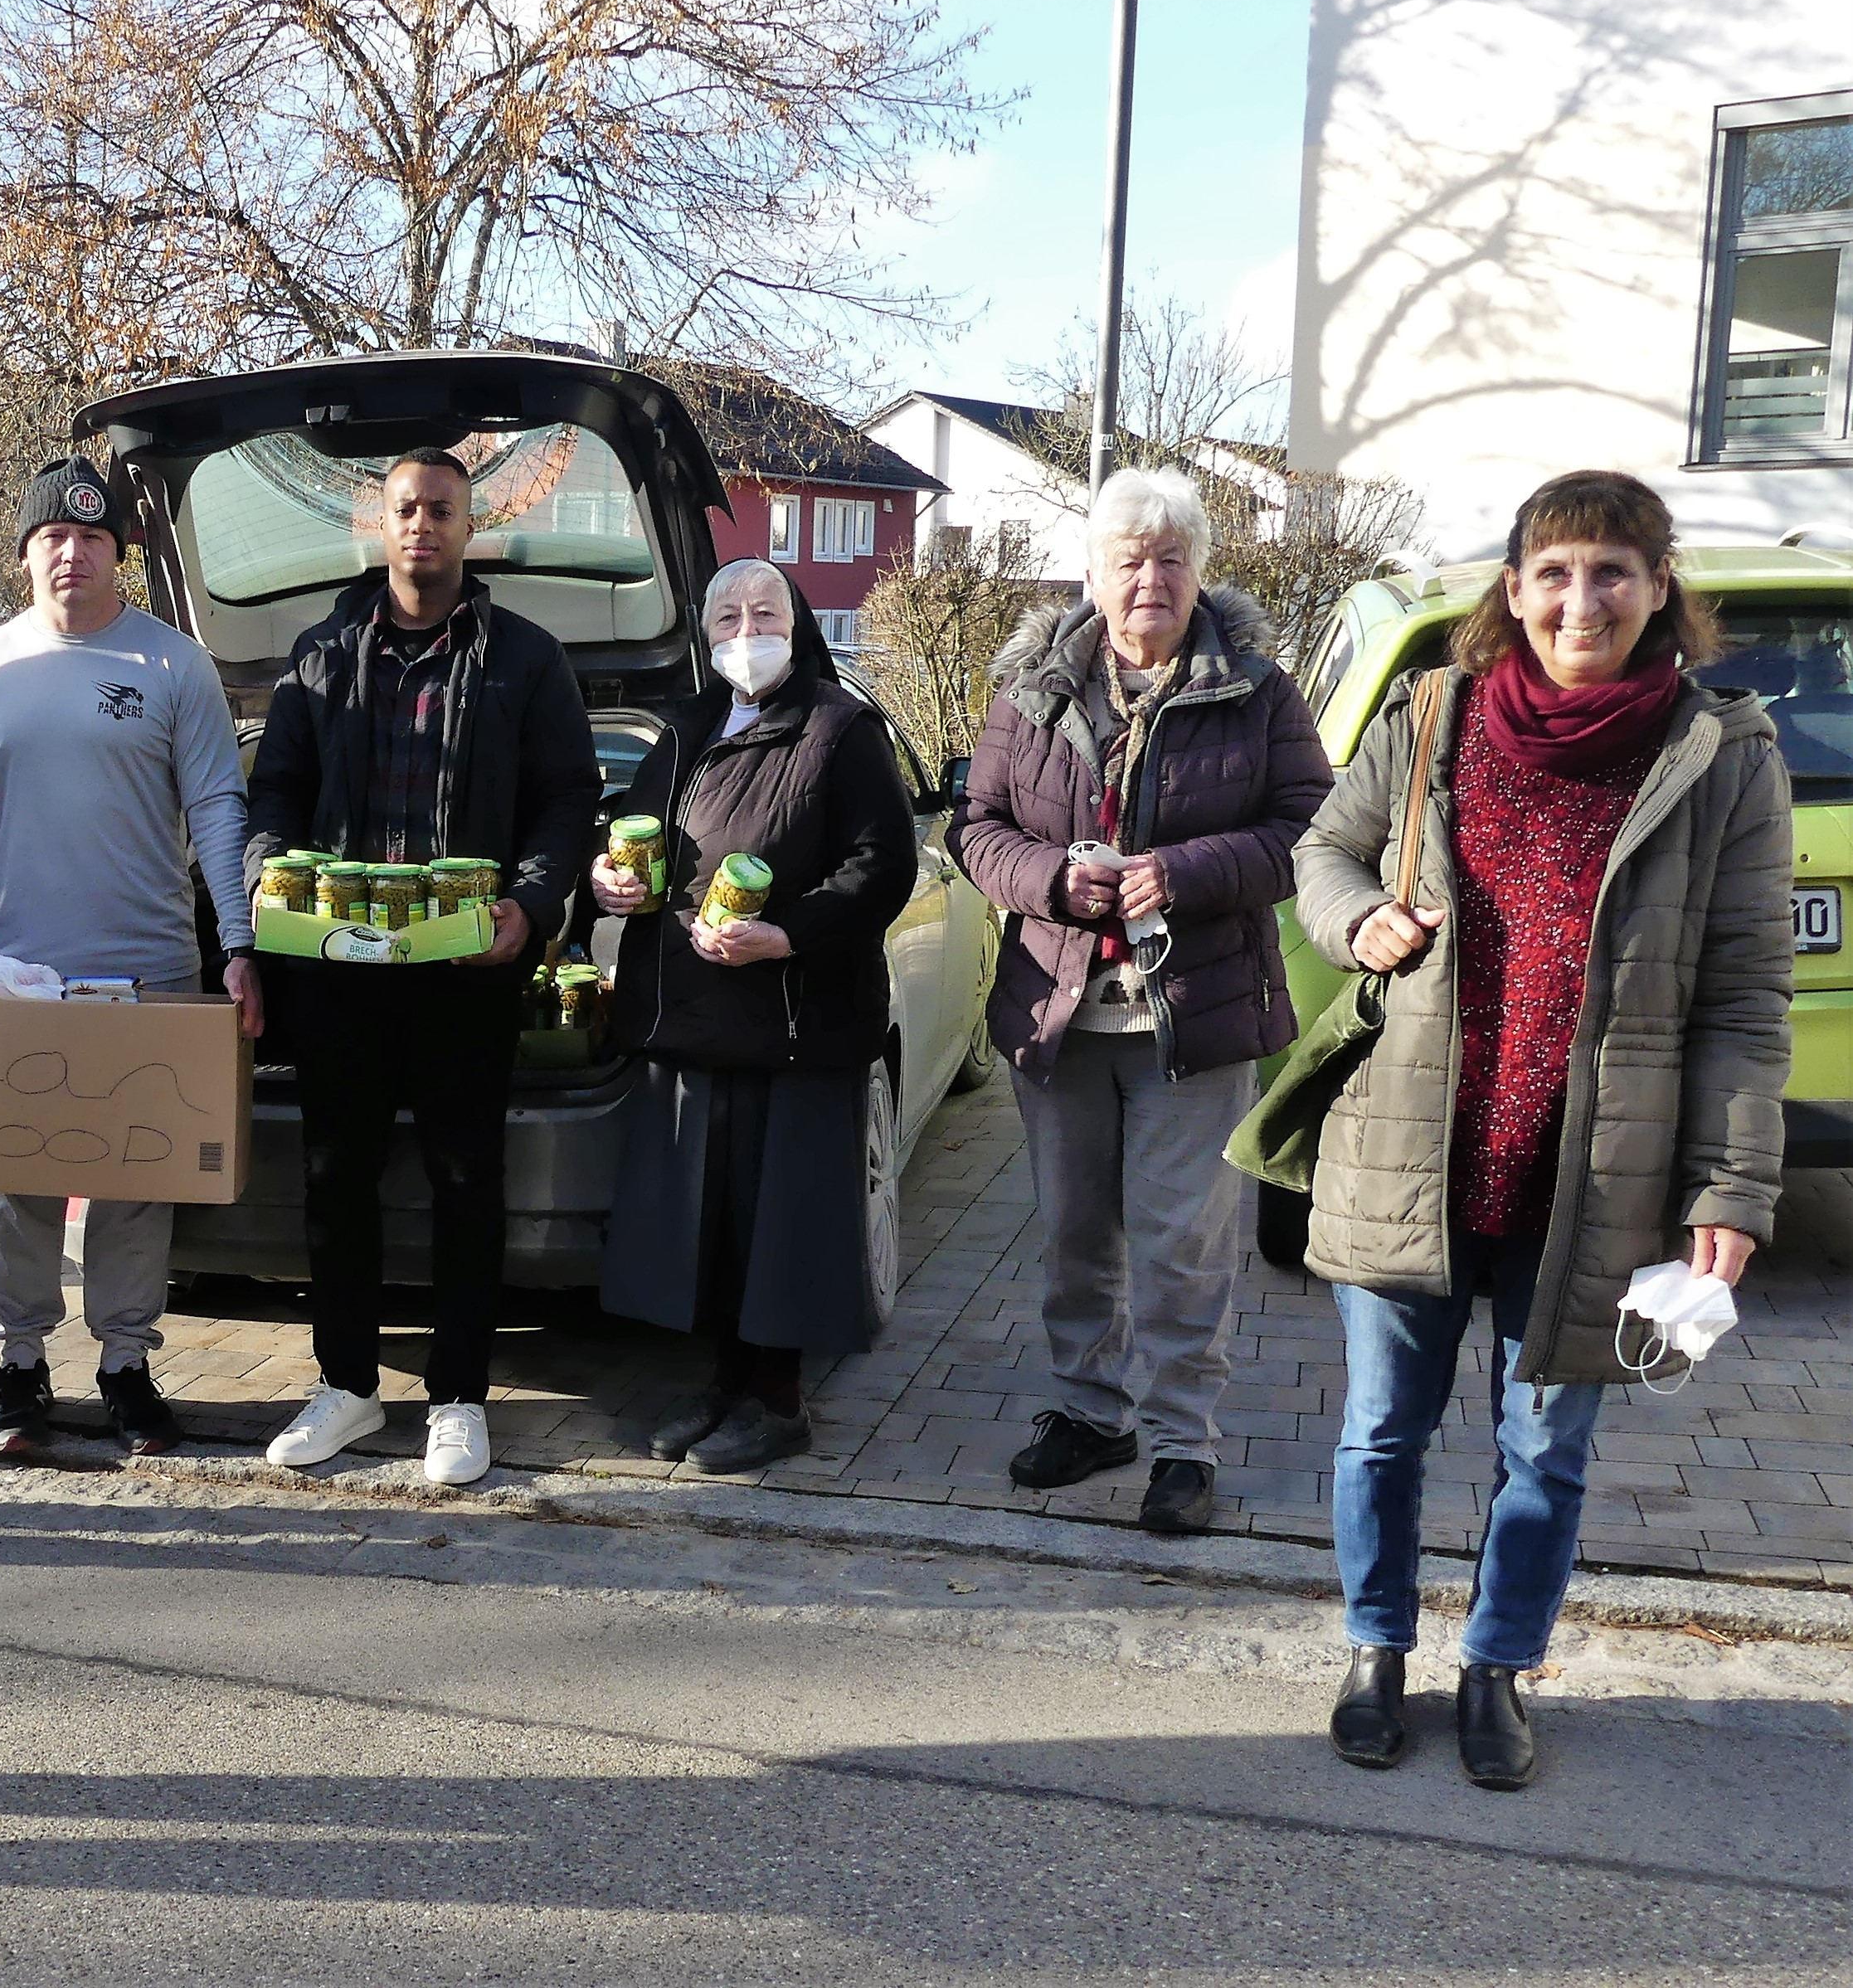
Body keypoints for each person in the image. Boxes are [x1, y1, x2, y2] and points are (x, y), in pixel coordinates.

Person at [1293, 469, 1789, 1788]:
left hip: (1595, 1172)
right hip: (1414, 1146)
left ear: (1657, 590)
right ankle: (1373, 1648)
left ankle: (1498, 1663)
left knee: (1543, 1451)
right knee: (1378, 1433)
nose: (1582, 598)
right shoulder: (1429, 717)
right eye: (1555, 572)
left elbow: (1744, 993)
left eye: (1612, 571)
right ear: (1511, 593)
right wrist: (1360, 920)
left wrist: (1730, 1189)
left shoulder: (1720, 753)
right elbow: (1321, 856)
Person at [947, 467, 1333, 1534]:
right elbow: (975, 826)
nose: (1149, 578)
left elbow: (1314, 826)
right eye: (1129, 558)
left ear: (1201, 571)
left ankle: (1182, 1446)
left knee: (1181, 1244)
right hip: (1059, 1012)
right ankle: (1088, 1412)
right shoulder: (1031, 689)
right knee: (1076, 1232)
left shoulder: (1257, 688)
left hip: (1194, 1017)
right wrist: (1048, 881)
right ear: (1094, 573)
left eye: (1171, 558)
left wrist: (1192, 870)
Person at [0, 454, 260, 1458]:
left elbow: (220, 807)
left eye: (94, 537)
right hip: (20, 970)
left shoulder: (174, 665)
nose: (73, 552)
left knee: (138, 1176)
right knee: (16, 1176)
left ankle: (127, 1364)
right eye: (54, 535)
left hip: (147, 966)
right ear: (25, 554)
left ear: (119, 555)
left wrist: (238, 940)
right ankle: (18, 1363)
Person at [245, 446, 603, 1488]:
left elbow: (566, 801)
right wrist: (270, 876)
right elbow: (274, 794)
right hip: (339, 974)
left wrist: (530, 906)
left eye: (442, 510)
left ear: (468, 526)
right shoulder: (320, 655)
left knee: (465, 1183)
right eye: (406, 509)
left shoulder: (524, 660)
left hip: (464, 974)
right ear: (380, 524)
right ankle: (347, 1387)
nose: (422, 527)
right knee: (334, 1180)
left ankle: (458, 1400)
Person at [591, 559, 918, 1473]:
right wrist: (605, 877)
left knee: (787, 1224)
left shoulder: (840, 727)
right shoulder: (689, 725)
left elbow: (880, 865)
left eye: (764, 611)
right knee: (717, 1221)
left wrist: (791, 936)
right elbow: (628, 826)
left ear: (798, 622)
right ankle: (726, 1385)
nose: (745, 629)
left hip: (792, 1020)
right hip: (694, 1020)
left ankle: (780, 1402)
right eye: (726, 614)